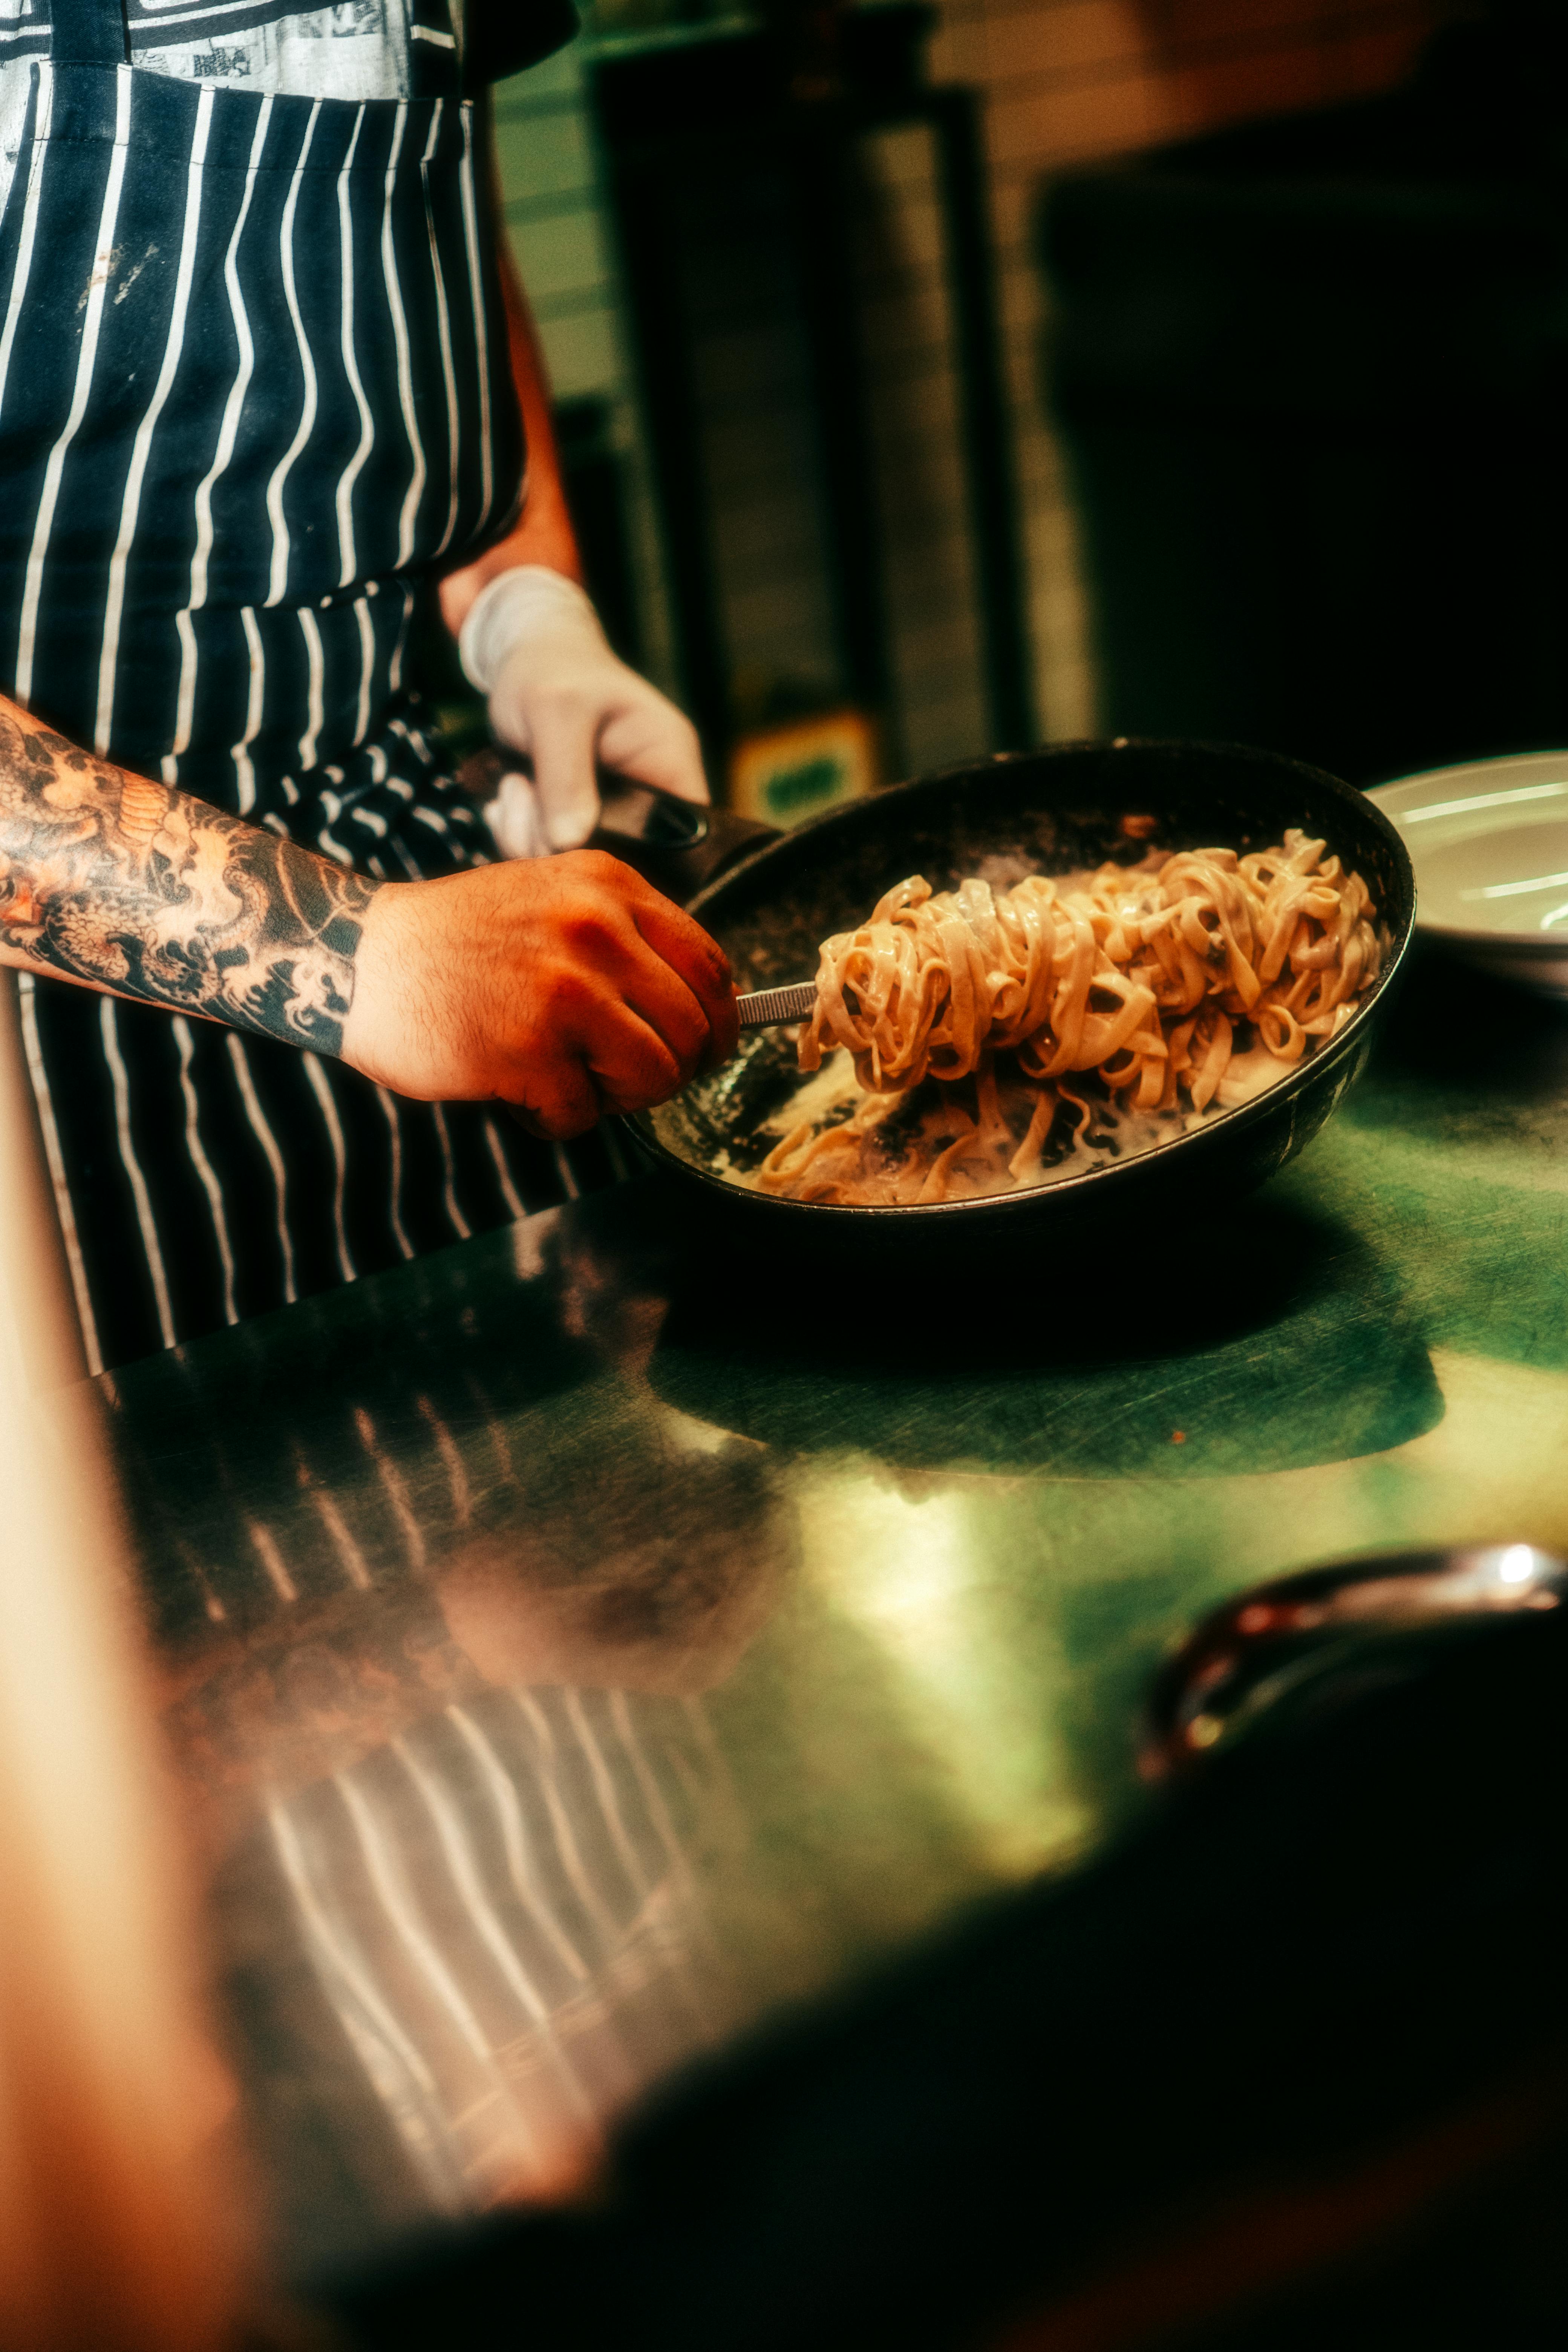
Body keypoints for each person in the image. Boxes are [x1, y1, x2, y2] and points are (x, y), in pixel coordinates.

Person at [0, 0, 737, 1378]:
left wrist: (524, 599)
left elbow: (440, 225)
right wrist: (351, 956)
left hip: (441, 955)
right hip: (50, 1126)